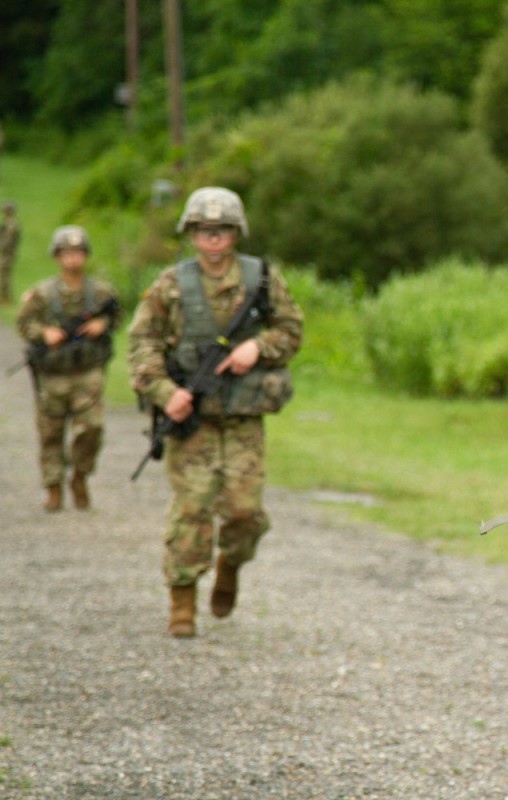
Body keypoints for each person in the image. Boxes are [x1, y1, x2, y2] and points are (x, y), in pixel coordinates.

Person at [127, 186, 303, 638]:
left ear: (236, 233)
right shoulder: (171, 284)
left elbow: (291, 330)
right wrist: (166, 393)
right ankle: (182, 600)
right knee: (192, 510)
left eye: (222, 230)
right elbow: (142, 343)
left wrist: (256, 347)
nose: (213, 239)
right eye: (205, 230)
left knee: (246, 514)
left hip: (243, 419)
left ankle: (230, 565)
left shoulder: (260, 279)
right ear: (191, 233)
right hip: (193, 422)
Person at [16, 225, 121, 511]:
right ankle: (53, 486)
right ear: (57, 257)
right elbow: (24, 324)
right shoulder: (42, 293)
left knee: (92, 428)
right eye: (66, 253)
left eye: (78, 252)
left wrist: (104, 324)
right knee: (51, 432)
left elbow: (117, 317)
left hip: (88, 370)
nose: (73, 259)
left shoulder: (100, 292)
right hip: (53, 373)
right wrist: (44, 333)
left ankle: (80, 475)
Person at [1, 200, 20, 303]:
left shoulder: (11, 224)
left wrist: (1, 248)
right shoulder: (9, 223)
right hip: (7, 253)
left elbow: (8, 240)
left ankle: (6, 297)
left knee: (5, 274)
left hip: (7, 253)